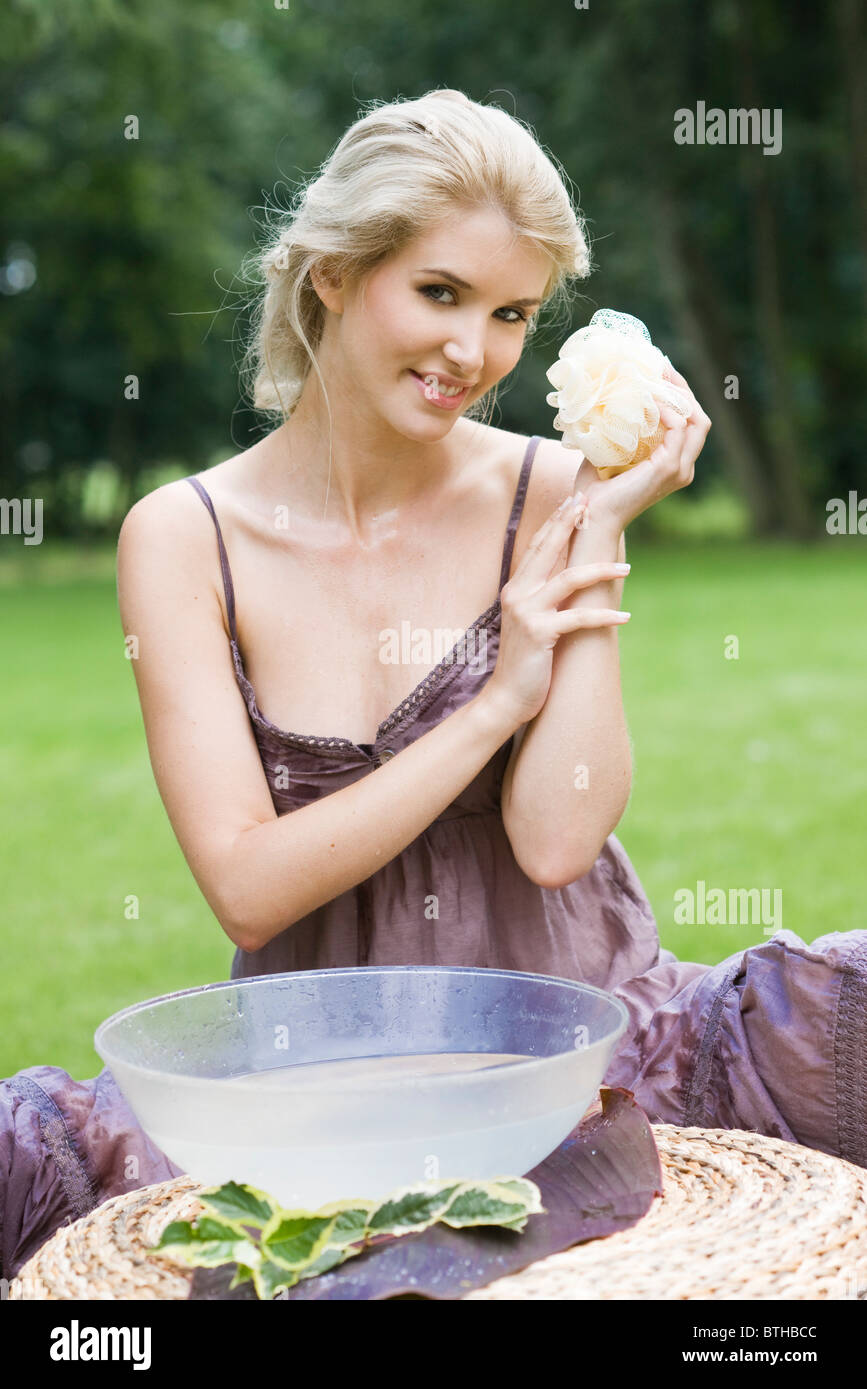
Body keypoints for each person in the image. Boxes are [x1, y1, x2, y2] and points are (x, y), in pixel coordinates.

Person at [2, 89, 864, 1285]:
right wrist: (499, 701)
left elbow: (559, 839)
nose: (475, 353)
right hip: (322, 1078)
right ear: (333, 278)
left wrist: (596, 529)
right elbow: (248, 890)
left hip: (581, 1041)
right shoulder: (183, 534)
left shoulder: (554, 491)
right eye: (442, 294)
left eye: (511, 313)